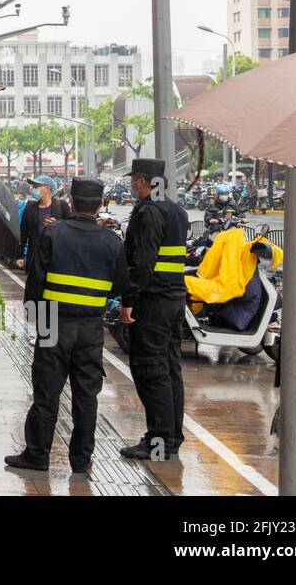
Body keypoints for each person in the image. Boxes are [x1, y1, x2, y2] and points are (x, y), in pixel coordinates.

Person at [5, 178, 129, 473]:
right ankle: (81, 460)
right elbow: (119, 287)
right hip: (90, 328)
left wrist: (34, 315)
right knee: (86, 396)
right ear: (99, 205)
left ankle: (37, 454)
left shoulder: (53, 233)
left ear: (71, 201)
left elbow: (36, 279)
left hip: (53, 324)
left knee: (47, 392)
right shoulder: (112, 241)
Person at [119, 158, 190, 461]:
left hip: (154, 300)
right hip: (174, 298)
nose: (132, 185)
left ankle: (158, 441)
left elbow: (142, 264)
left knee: (151, 369)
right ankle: (171, 437)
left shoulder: (149, 212)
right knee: (170, 368)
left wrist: (128, 301)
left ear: (142, 180)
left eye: (134, 179)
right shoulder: (176, 210)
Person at [17, 175, 69, 273]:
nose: (33, 189)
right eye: (33, 186)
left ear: (47, 189)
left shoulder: (62, 206)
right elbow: (23, 233)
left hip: (55, 258)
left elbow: (70, 230)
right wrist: (19, 256)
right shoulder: (29, 208)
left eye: (36, 186)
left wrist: (58, 225)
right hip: (35, 259)